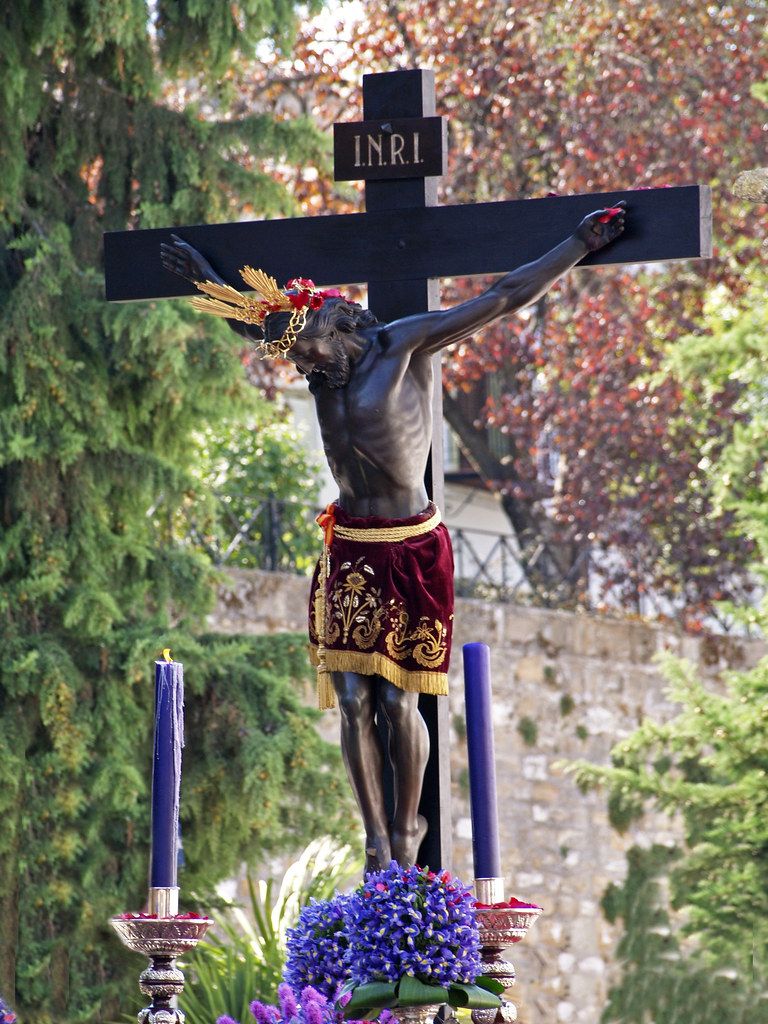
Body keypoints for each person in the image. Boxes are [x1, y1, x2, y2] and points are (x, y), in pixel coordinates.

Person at [160, 201, 626, 870]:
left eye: (306, 350)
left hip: (409, 544)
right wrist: (201, 277)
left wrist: (578, 243)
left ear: (342, 326)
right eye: (292, 356)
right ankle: (376, 839)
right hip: (350, 544)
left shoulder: (402, 346)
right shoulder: (318, 366)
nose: (299, 367)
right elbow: (253, 324)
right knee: (351, 702)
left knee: (395, 698)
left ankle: (407, 830)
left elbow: (503, 296)